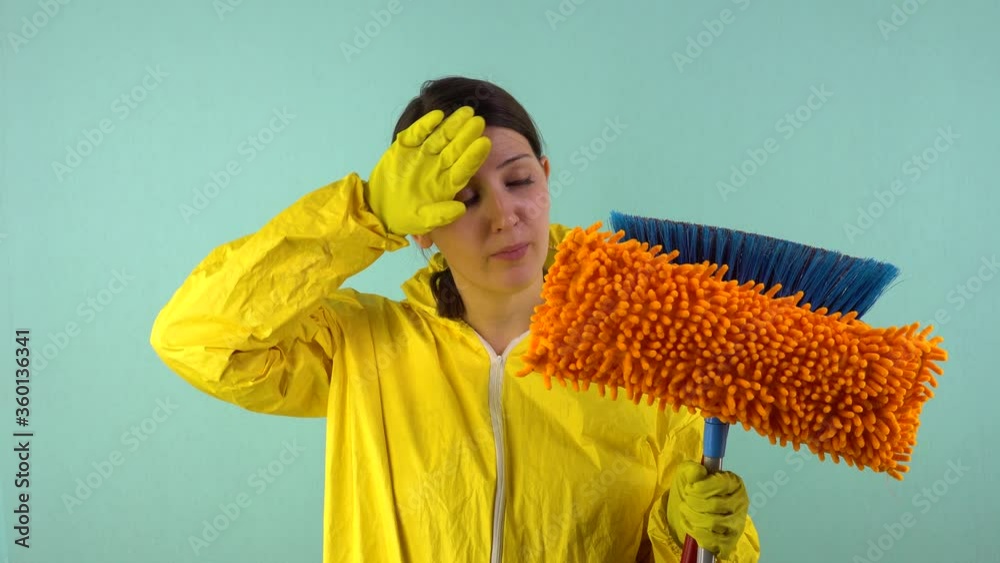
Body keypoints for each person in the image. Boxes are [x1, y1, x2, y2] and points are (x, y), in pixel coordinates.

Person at [149, 76, 762, 563]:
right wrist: (365, 213)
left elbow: (707, 548)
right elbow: (197, 337)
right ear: (419, 227)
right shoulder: (359, 348)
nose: (505, 215)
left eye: (518, 180)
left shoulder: (646, 359)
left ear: (546, 178)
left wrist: (685, 531)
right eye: (465, 198)